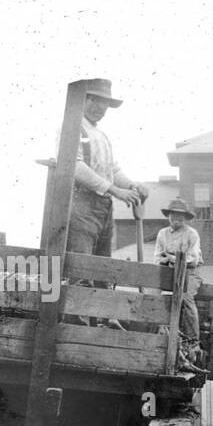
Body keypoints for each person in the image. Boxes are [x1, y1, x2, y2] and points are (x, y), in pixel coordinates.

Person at [66, 78, 148, 326]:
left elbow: (113, 170)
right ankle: (77, 326)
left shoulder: (100, 134)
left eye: (104, 104)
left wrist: (131, 185)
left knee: (103, 267)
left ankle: (103, 321)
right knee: (82, 267)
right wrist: (114, 190)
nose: (99, 108)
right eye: (94, 101)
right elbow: (76, 167)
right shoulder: (74, 129)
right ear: (84, 100)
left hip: (102, 208)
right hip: (81, 205)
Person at [154, 199, 206, 374]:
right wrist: (167, 260)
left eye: (180, 217)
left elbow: (192, 259)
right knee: (153, 294)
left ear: (185, 218)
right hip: (169, 270)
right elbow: (157, 257)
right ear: (169, 216)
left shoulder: (192, 234)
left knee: (185, 297)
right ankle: (157, 332)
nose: (176, 219)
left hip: (190, 272)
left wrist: (171, 258)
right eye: (173, 216)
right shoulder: (162, 234)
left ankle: (192, 341)